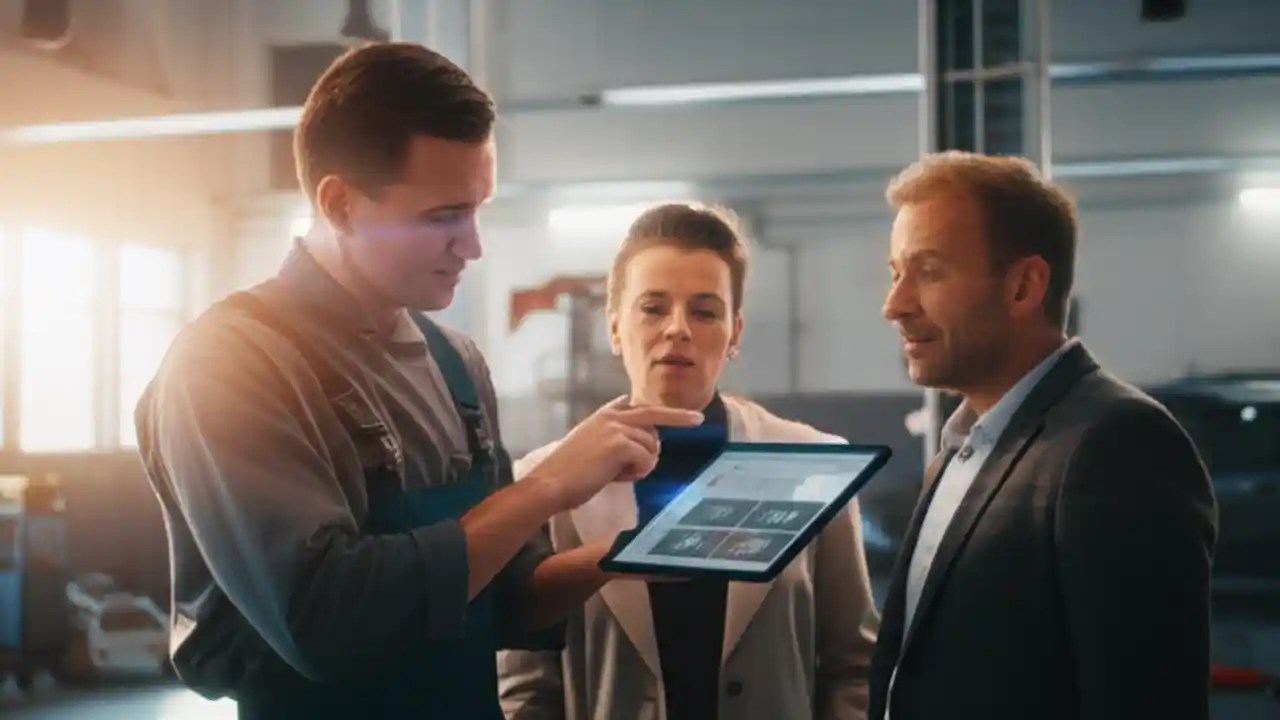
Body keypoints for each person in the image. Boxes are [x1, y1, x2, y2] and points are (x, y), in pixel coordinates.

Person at [134, 43, 702, 720]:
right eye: (442, 217)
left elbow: (505, 597)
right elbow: (326, 625)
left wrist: (632, 554)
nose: (472, 245)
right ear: (341, 204)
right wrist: (547, 487)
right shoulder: (230, 367)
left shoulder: (455, 362)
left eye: (477, 210)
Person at [497, 203, 880, 720]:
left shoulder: (812, 464)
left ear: (735, 333)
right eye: (653, 308)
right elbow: (525, 689)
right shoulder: (543, 482)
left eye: (704, 311)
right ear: (615, 328)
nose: (677, 329)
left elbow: (852, 665)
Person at [870, 151, 1218, 720]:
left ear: (1024, 286)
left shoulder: (1116, 444)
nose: (895, 305)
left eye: (928, 270)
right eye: (895, 273)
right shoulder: (961, 450)